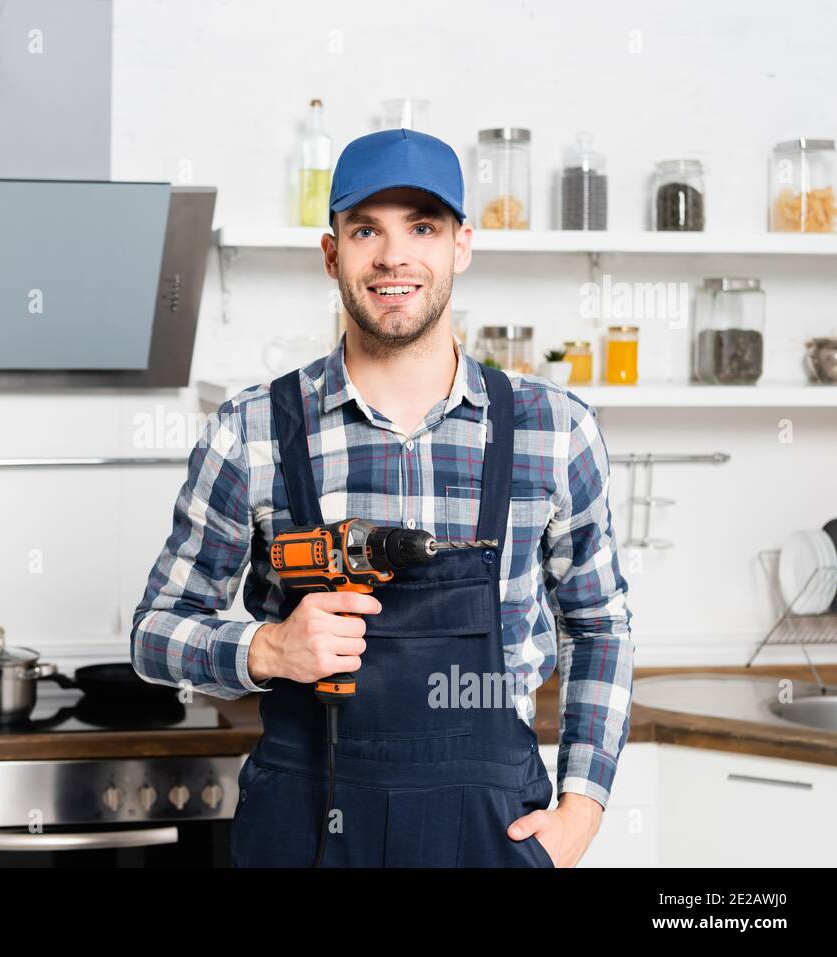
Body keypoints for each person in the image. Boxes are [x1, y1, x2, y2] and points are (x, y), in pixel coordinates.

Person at [131, 128, 633, 867]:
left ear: (461, 244)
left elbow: (601, 627)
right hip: (306, 829)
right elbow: (153, 633)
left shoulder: (553, 430)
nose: (394, 255)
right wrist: (268, 646)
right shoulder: (252, 431)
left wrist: (582, 808)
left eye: (422, 227)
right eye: (367, 228)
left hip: (491, 831)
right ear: (332, 253)